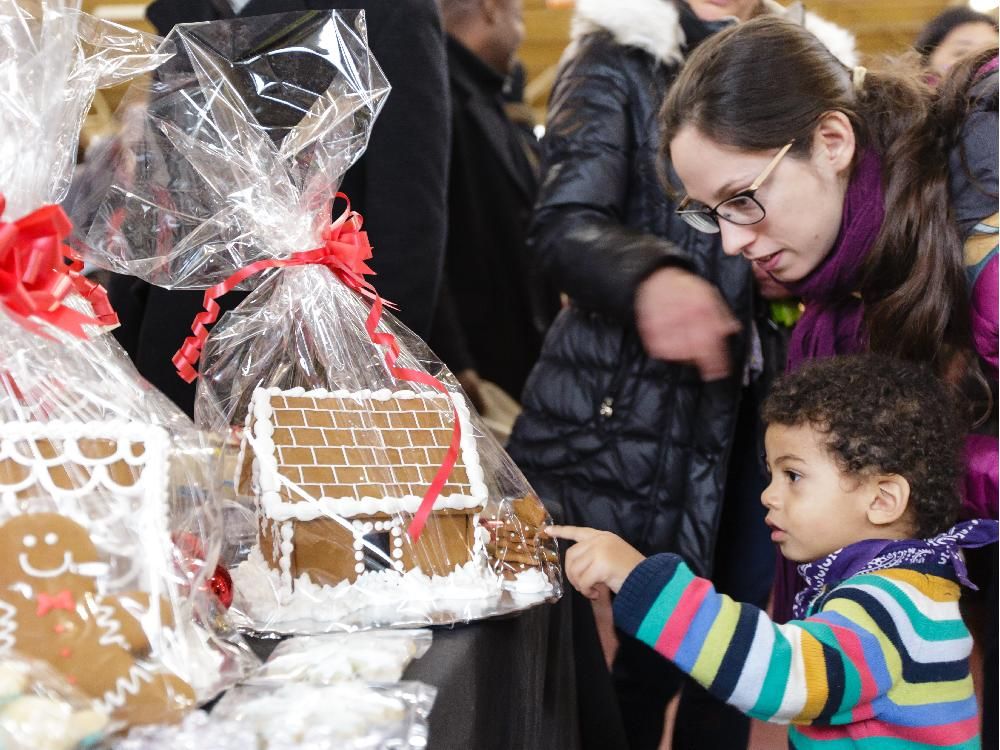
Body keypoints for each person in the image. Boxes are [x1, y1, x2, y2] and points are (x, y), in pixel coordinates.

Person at [503, 1, 855, 747]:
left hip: (760, 415)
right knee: (625, 648)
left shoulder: (803, 61)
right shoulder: (619, 54)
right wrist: (652, 276)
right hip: (637, 412)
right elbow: (562, 221)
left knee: (737, 632)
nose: (730, 239)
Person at [550, 354, 999, 749]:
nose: (768, 496)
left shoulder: (890, 608)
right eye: (772, 475)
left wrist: (640, 581)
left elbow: (781, 677)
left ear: (881, 500)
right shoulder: (902, 588)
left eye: (794, 476)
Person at [105, 0, 450, 417]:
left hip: (310, 357)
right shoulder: (188, 10)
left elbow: (408, 222)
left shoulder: (391, 13)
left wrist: (381, 385)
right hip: (174, 347)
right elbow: (160, 201)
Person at [427, 0, 557, 410]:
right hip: (478, 373)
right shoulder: (438, 93)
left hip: (506, 362)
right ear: (489, 8)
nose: (523, 20)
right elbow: (424, 231)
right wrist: (453, 357)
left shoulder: (484, 96)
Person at [916, 7, 998, 84]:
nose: (980, 62)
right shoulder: (908, 98)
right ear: (927, 57)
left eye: (991, 54)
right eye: (962, 52)